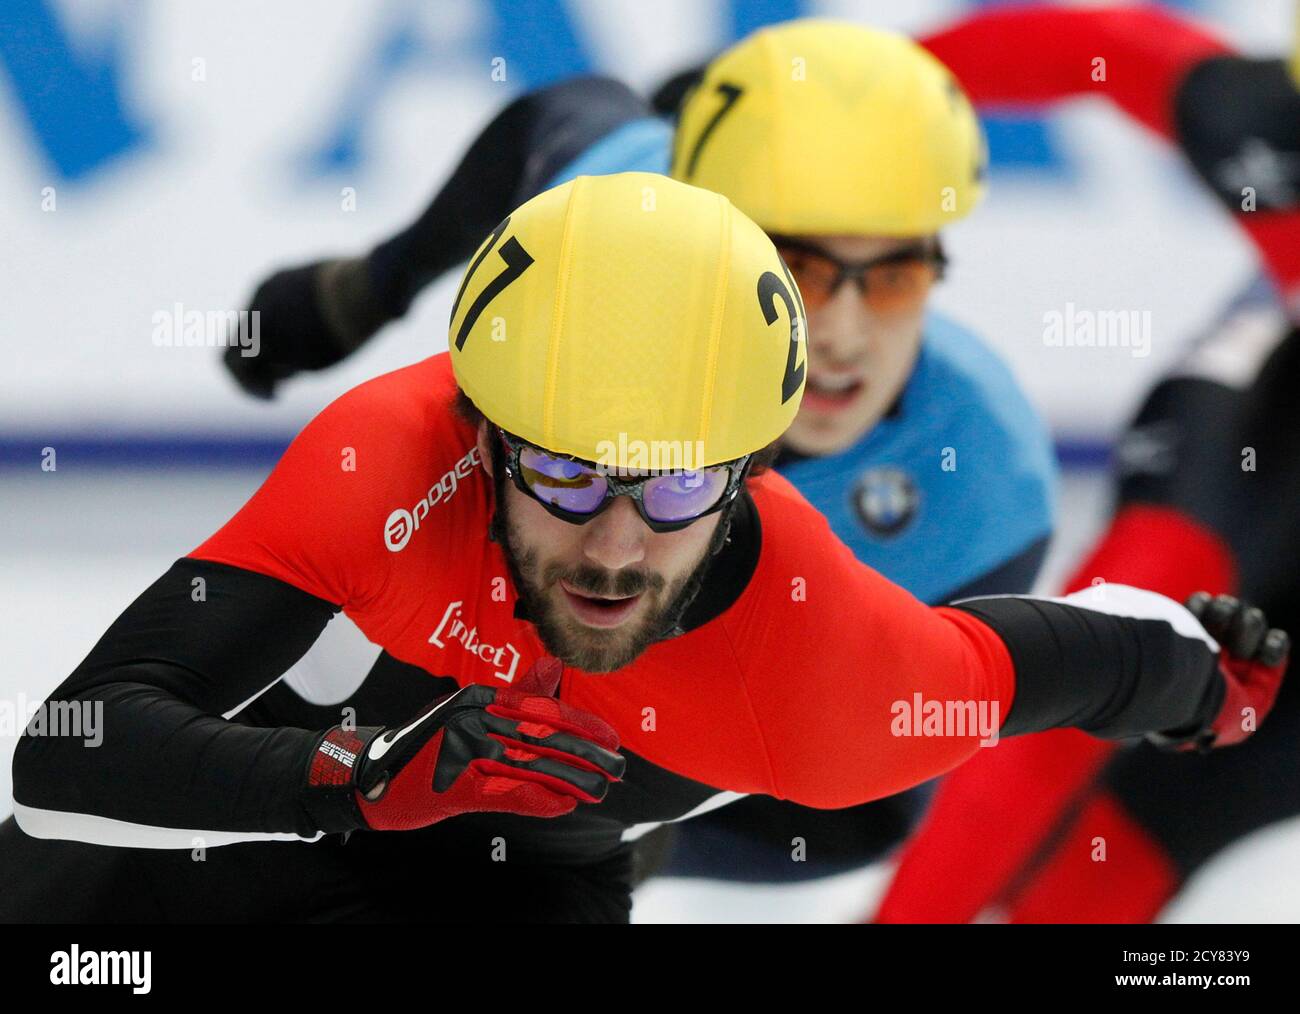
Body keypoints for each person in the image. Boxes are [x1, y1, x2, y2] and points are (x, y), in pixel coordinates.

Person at [1, 172, 1286, 924]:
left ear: (755, 471)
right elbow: (66, 752)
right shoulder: (391, 454)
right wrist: (357, 778)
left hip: (538, 880)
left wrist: (1196, 680)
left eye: (675, 492)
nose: (612, 552)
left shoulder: (823, 667)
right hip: (318, 760)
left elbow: (1055, 662)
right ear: (486, 432)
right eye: (562, 472)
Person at [221, 19, 1057, 881]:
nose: (840, 336)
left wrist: (636, 826)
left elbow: (872, 800)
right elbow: (555, 118)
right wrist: (362, 290)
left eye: (894, 277)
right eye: (799, 271)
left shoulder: (984, 487)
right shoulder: (613, 223)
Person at [874, 2, 1300, 923]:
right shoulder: (1256, 123)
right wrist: (854, 88)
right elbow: (1095, 49)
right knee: (1142, 613)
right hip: (1267, 418)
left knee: (1148, 830)